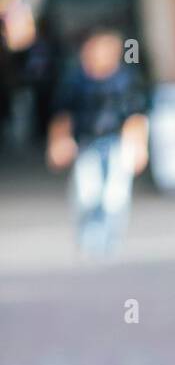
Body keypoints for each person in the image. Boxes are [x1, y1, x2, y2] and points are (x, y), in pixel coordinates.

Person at [46, 26, 149, 257]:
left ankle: (110, 240)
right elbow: (63, 113)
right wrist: (59, 142)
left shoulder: (125, 79)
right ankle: (88, 238)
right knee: (87, 194)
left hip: (116, 143)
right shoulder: (76, 80)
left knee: (115, 196)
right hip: (87, 143)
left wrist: (139, 146)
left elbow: (135, 115)